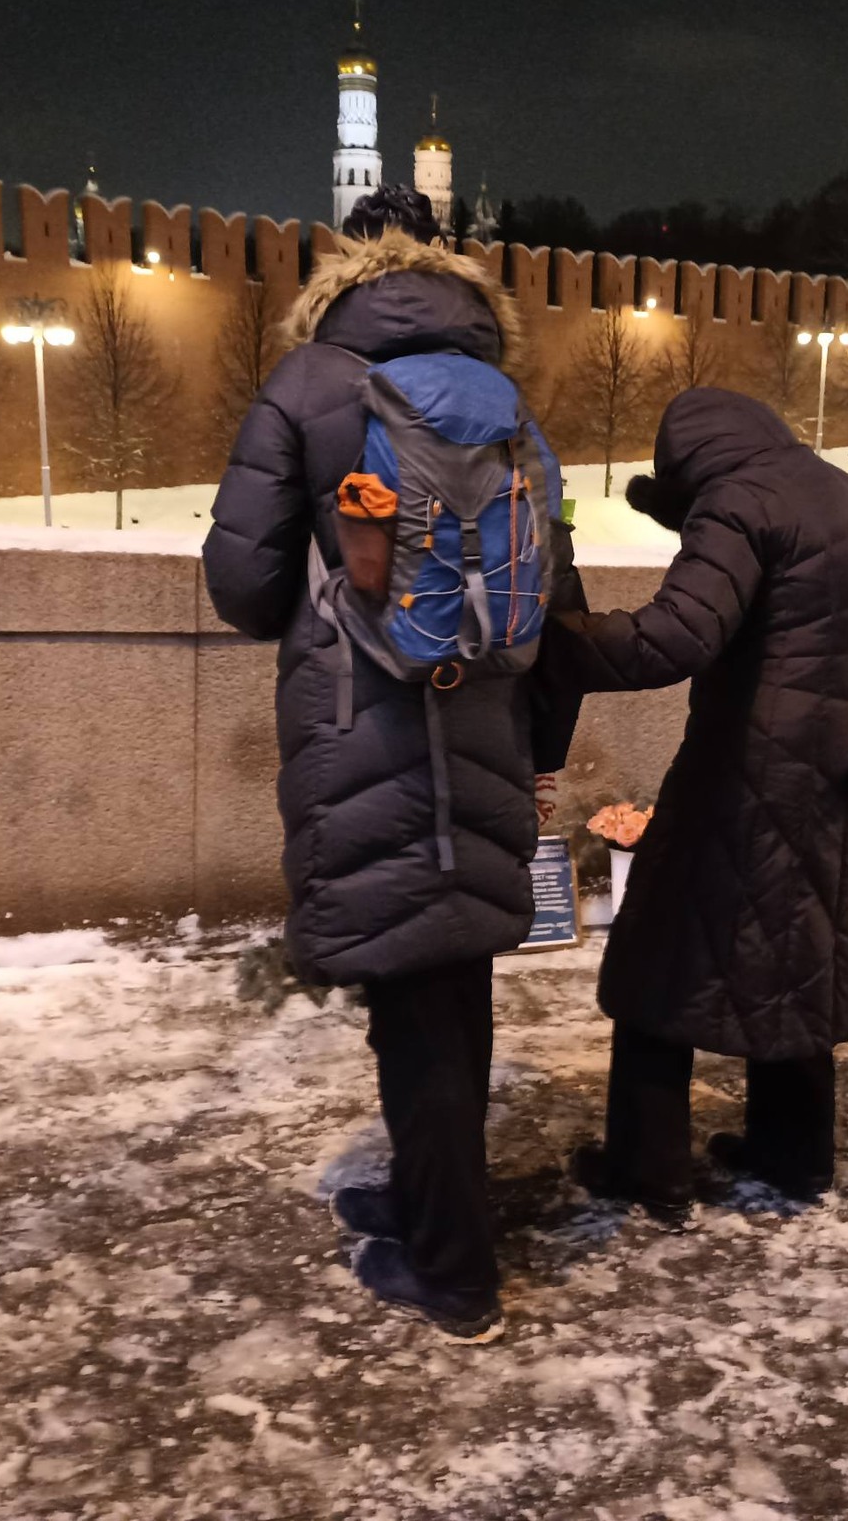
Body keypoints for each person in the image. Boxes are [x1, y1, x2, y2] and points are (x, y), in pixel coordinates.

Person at [204, 185, 582, 1342]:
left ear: (342, 276)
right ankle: (431, 1200)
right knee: (443, 987)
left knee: (416, 1001)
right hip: (483, 733)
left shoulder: (310, 385)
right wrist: (539, 752)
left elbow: (243, 585)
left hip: (361, 726)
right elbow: (552, 597)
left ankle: (455, 1271)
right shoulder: (508, 405)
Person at [543, 388, 848, 1217]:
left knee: (658, 962)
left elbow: (675, 637)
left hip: (735, 788)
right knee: (797, 955)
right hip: (832, 795)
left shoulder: (737, 501)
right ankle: (794, 1156)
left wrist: (549, 635)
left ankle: (647, 1168)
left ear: (689, 463)